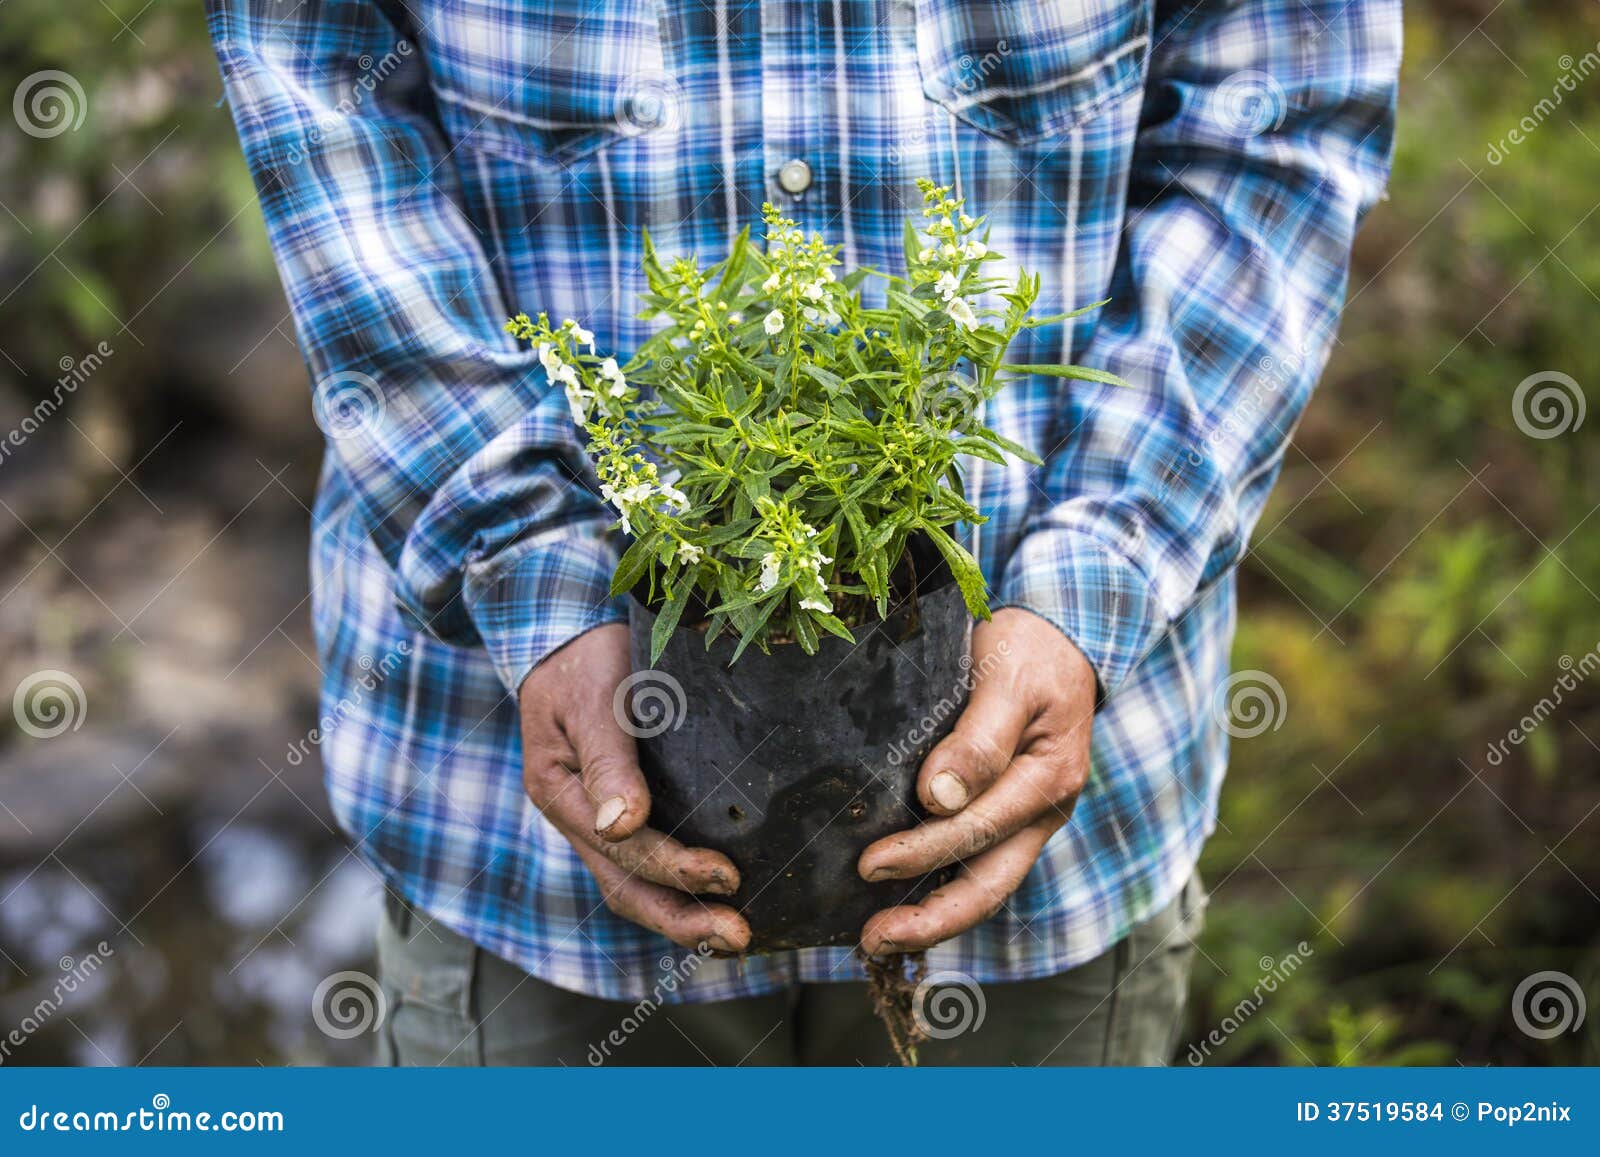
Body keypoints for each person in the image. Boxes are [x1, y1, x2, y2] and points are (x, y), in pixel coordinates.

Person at [208, 0, 1401, 1065]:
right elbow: (310, 61)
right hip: (529, 834)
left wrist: (1101, 573)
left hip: (1049, 850)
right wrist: (527, 565)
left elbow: (1282, 103)